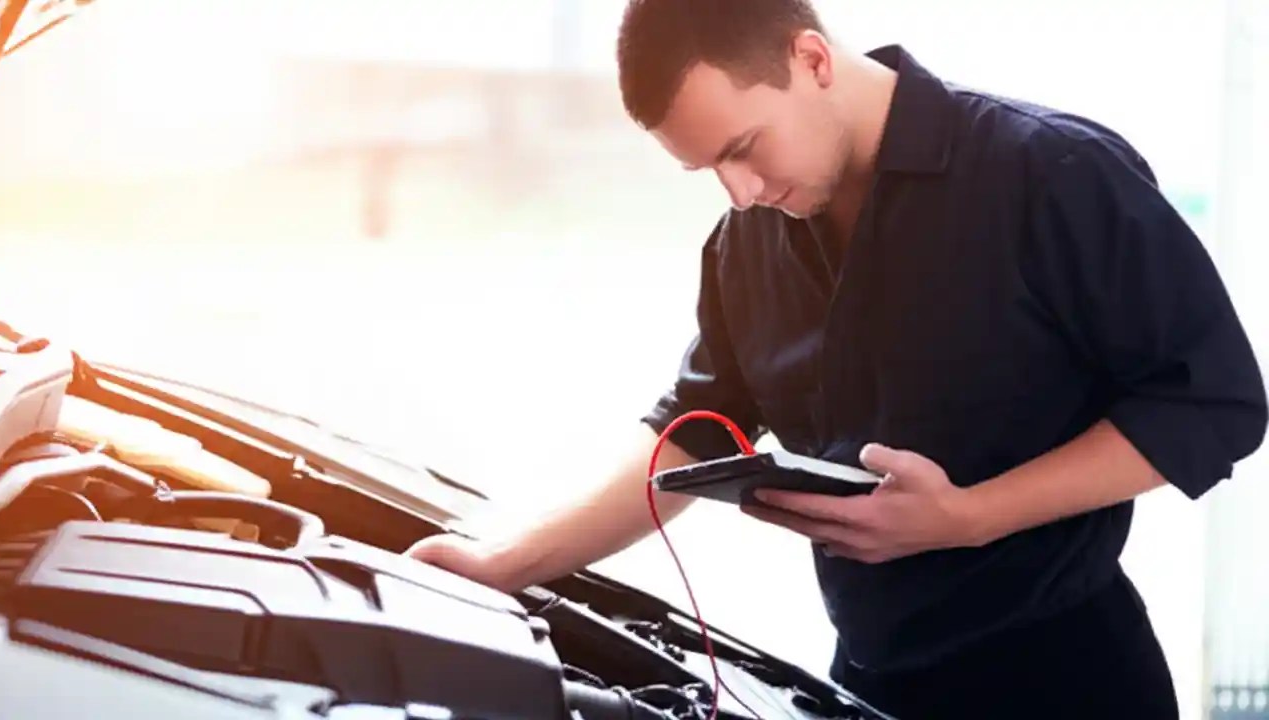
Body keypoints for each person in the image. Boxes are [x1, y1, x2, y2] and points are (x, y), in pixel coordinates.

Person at [407, 1, 1268, 717]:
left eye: (742, 148)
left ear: (812, 59)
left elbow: (1211, 403)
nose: (740, 192)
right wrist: (501, 564)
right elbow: (693, 432)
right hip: (862, 683)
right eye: (708, 169)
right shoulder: (745, 242)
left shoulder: (1053, 172)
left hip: (1067, 683)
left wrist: (971, 516)